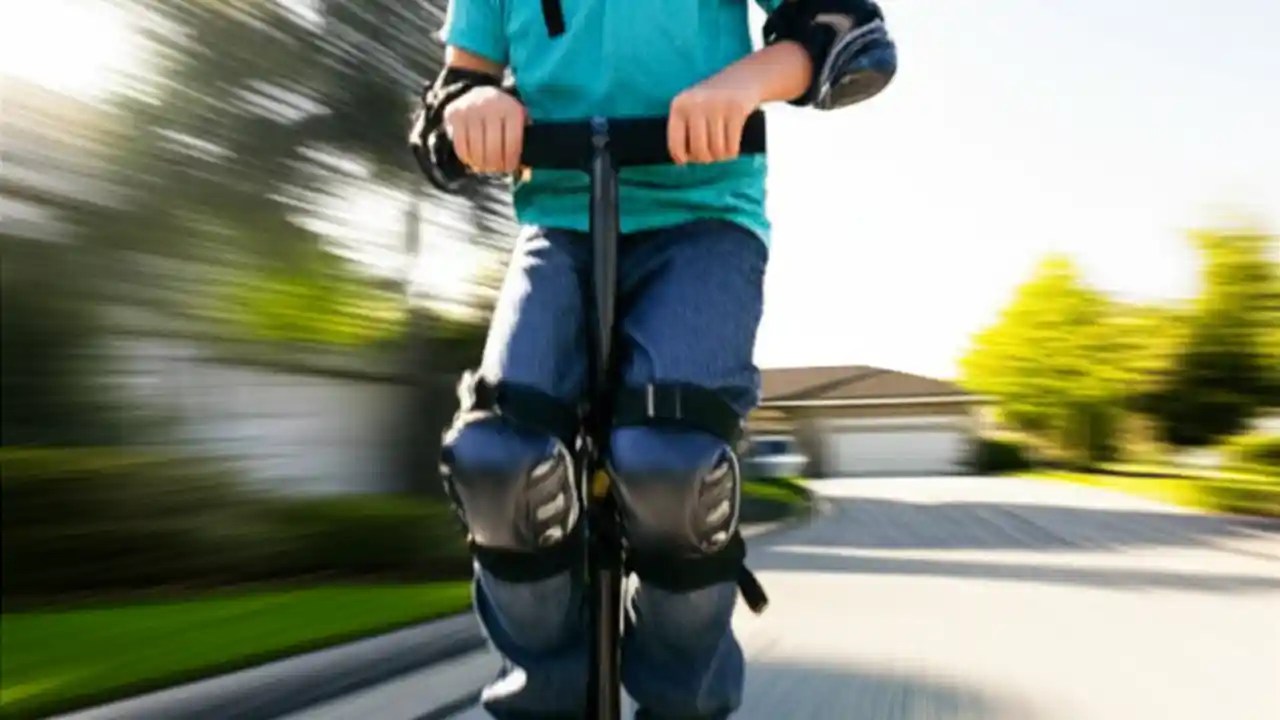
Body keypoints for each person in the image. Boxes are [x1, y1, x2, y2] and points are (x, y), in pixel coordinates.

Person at [411, 1, 896, 718]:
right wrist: (474, 104)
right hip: (560, 223)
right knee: (497, 465)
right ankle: (548, 696)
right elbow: (454, 90)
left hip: (702, 221)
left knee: (675, 475)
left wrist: (741, 84)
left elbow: (838, 33)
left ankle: (681, 701)